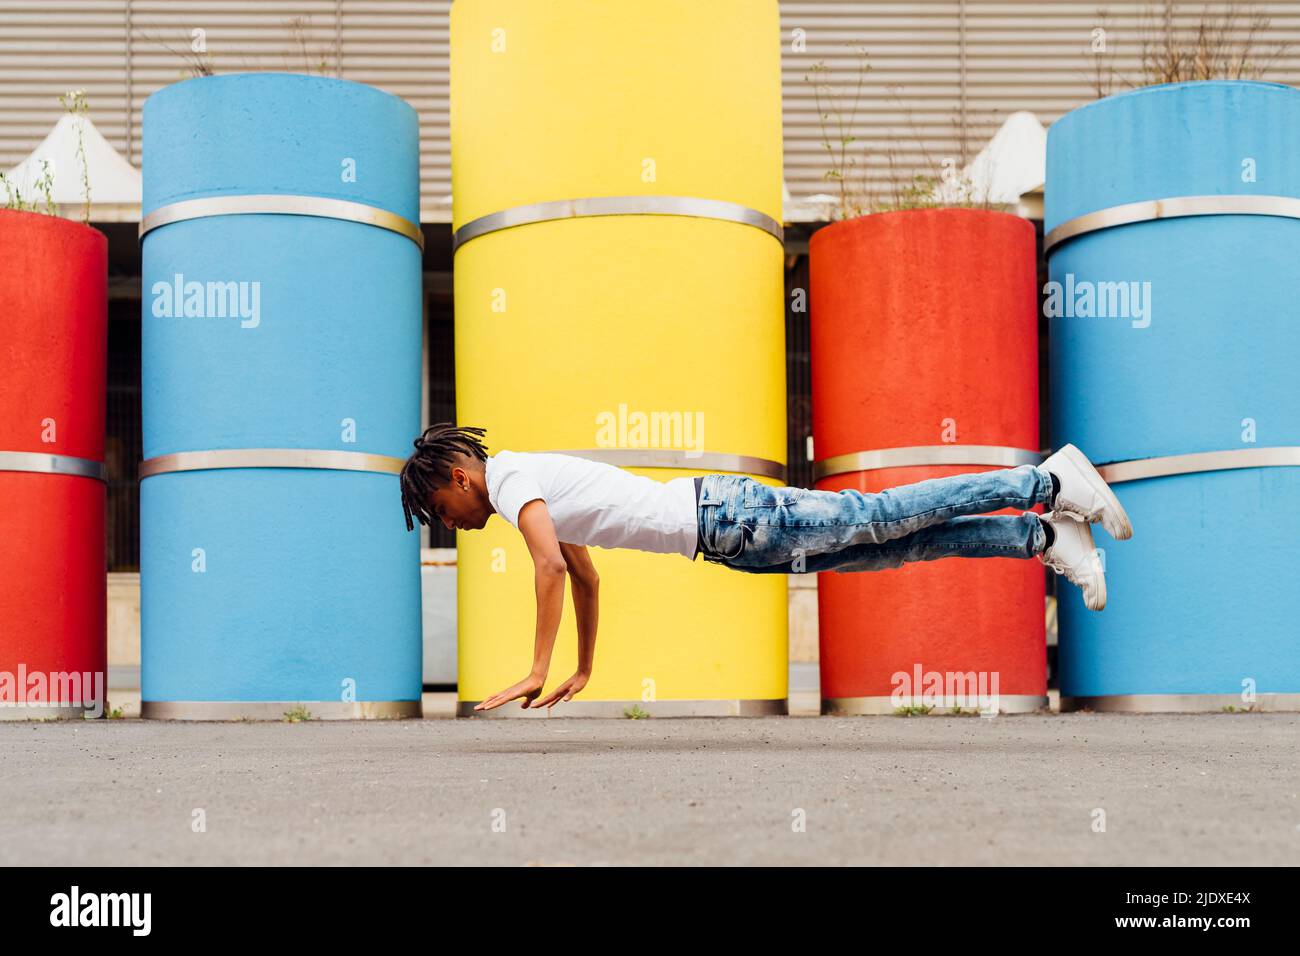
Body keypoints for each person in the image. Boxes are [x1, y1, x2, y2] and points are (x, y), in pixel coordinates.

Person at [400, 423, 1132, 712]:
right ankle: (1039, 540)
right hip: (729, 541)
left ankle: (1046, 482)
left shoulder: (510, 480)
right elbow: (584, 574)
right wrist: (584, 667)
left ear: (457, 480)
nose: (450, 527)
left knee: (880, 516)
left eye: (438, 510)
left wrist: (534, 667)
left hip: (729, 517)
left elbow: (549, 570)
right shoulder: (527, 488)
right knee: (891, 547)